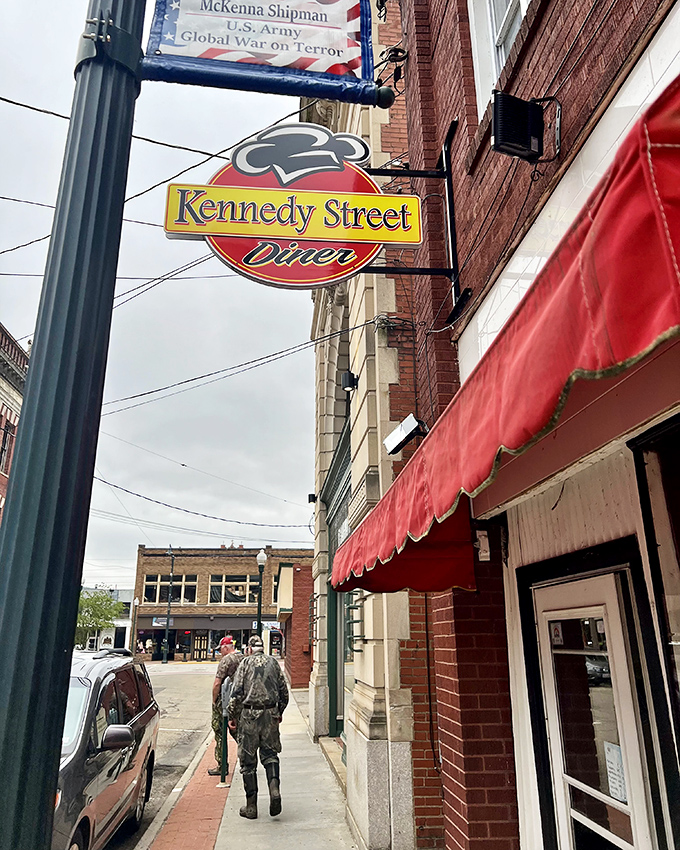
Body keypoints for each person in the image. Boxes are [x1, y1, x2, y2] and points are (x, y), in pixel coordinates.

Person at [228, 634, 289, 819]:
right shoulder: (273, 663)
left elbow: (236, 692)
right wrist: (279, 713)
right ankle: (274, 790)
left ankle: (251, 806)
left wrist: (232, 716)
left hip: (249, 717)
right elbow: (284, 692)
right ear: (263, 648)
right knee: (270, 755)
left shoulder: (245, 664)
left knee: (248, 762)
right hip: (270, 714)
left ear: (249, 648)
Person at [208, 635, 243, 776]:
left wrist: (214, 700)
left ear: (225, 647)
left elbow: (217, 683)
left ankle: (222, 766)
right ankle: (246, 760)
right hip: (240, 700)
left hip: (225, 700)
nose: (220, 652)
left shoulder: (226, 660)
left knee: (219, 731)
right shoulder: (243, 658)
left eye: (220, 649)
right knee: (238, 732)